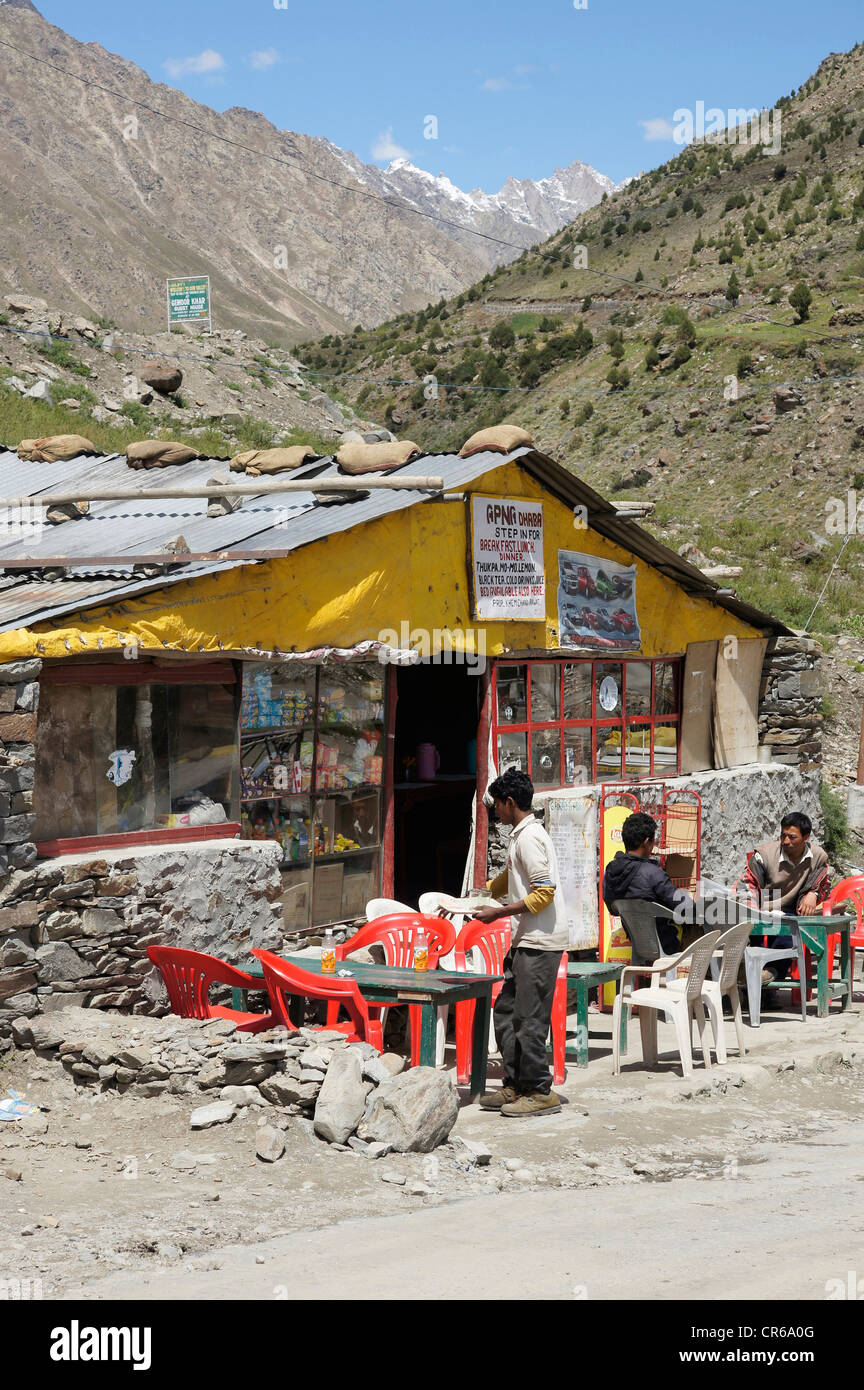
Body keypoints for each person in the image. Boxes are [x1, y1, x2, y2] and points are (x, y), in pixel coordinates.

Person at [474, 768, 568, 1117]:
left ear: (509, 802)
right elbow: (514, 875)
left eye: (497, 805)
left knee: (529, 1019)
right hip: (524, 941)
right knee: (507, 1013)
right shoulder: (520, 835)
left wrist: (496, 913)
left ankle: (540, 1091)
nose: (495, 811)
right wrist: (484, 891)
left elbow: (544, 892)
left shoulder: (529, 838)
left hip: (540, 942)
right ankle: (516, 1084)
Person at [740, 811, 830, 982]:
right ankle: (757, 985)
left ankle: (772, 975)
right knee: (752, 935)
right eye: (783, 836)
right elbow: (747, 885)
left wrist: (814, 893)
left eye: (792, 837)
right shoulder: (764, 855)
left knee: (788, 931)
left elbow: (823, 882)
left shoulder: (818, 857)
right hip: (762, 908)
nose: (786, 841)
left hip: (791, 910)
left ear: (806, 837)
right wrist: (752, 910)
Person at [602, 810, 695, 956]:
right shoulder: (652, 873)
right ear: (646, 842)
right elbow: (687, 908)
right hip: (664, 944)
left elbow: (613, 909)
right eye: (653, 840)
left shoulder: (610, 871)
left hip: (636, 943)